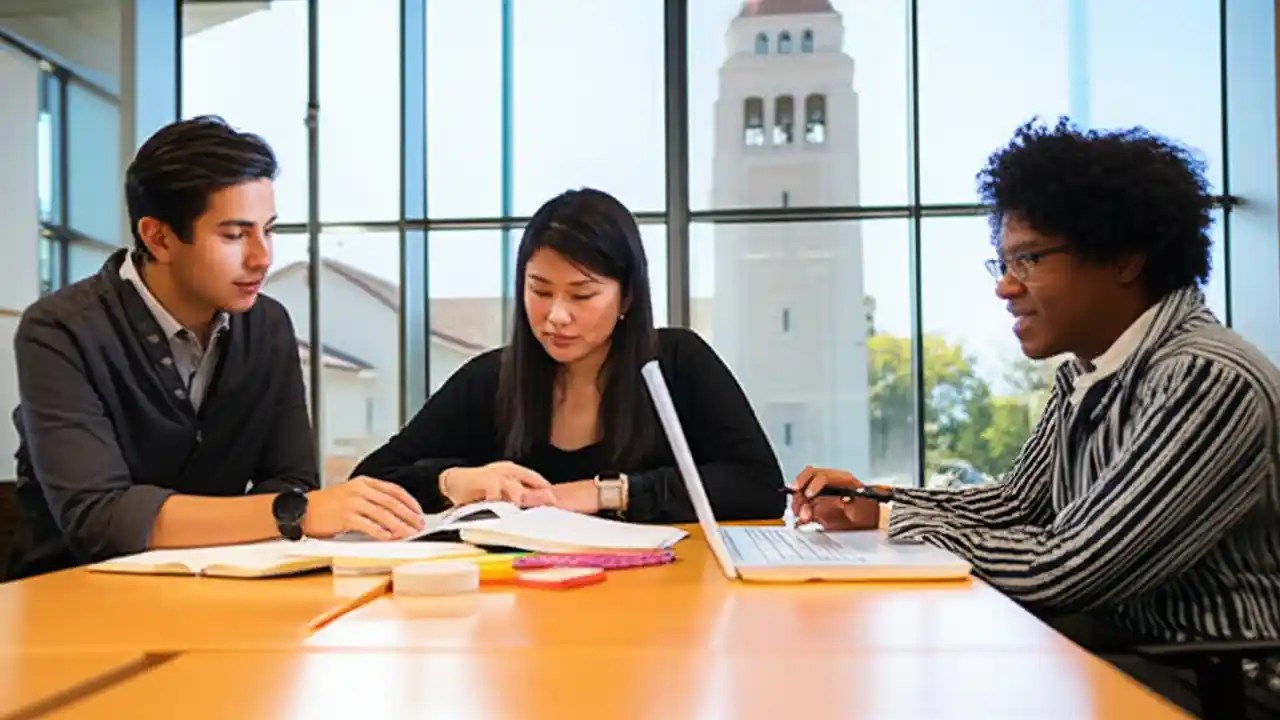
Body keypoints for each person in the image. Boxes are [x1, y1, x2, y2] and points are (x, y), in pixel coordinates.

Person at [790, 118, 1280, 717]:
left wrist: (902, 528)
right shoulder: (1090, 372)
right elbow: (1017, 506)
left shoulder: (1206, 378)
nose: (1005, 288)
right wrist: (874, 502)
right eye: (1002, 264)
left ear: (1125, 256)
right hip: (1125, 651)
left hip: (1220, 681)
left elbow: (1073, 568)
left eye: (1028, 260)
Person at [6, 116, 424, 580]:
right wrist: (296, 511)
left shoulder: (267, 324)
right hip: (73, 598)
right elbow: (102, 519)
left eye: (268, 230)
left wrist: (293, 507)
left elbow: (290, 480)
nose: (262, 257)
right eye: (234, 234)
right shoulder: (61, 329)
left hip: (222, 588)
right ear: (158, 237)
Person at [351, 188, 784, 522]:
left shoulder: (676, 363)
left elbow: (759, 486)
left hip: (657, 606)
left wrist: (603, 493)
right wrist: (455, 482)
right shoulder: (491, 381)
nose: (556, 316)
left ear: (627, 296)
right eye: (539, 290)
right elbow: (368, 484)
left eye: (582, 295)